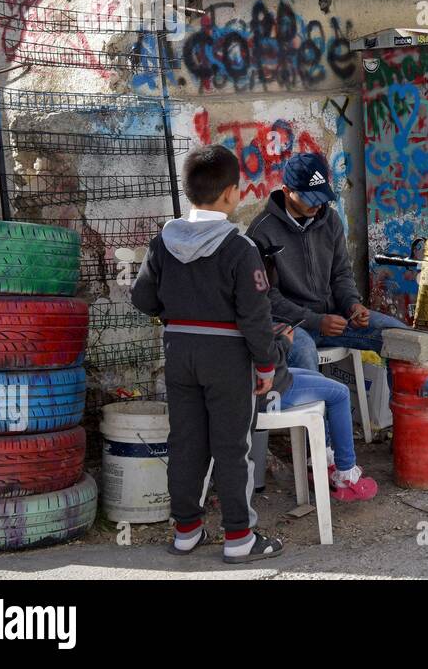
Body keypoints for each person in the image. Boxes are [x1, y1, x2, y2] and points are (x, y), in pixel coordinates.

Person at [130, 144, 284, 563]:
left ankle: (185, 532)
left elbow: (142, 298)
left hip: (179, 352)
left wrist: (177, 314)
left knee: (185, 443)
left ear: (188, 192)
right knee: (232, 447)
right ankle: (239, 538)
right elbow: (256, 315)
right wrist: (266, 364)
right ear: (232, 193)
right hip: (227, 358)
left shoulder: (163, 242)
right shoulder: (240, 248)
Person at [247, 153, 408, 372]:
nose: (317, 204)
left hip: (336, 319)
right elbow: (267, 297)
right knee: (302, 350)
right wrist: (315, 321)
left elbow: (341, 274)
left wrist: (352, 304)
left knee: (403, 338)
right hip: (291, 325)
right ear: (287, 191)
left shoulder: (331, 220)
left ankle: (405, 406)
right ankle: (314, 406)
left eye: (321, 196)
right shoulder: (262, 231)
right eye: (309, 198)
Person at [252, 240, 377, 502]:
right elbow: (265, 356)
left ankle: (326, 456)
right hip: (269, 388)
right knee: (340, 393)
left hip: (269, 381)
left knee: (321, 380)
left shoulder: (235, 302)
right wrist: (284, 342)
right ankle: (346, 473)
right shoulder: (252, 306)